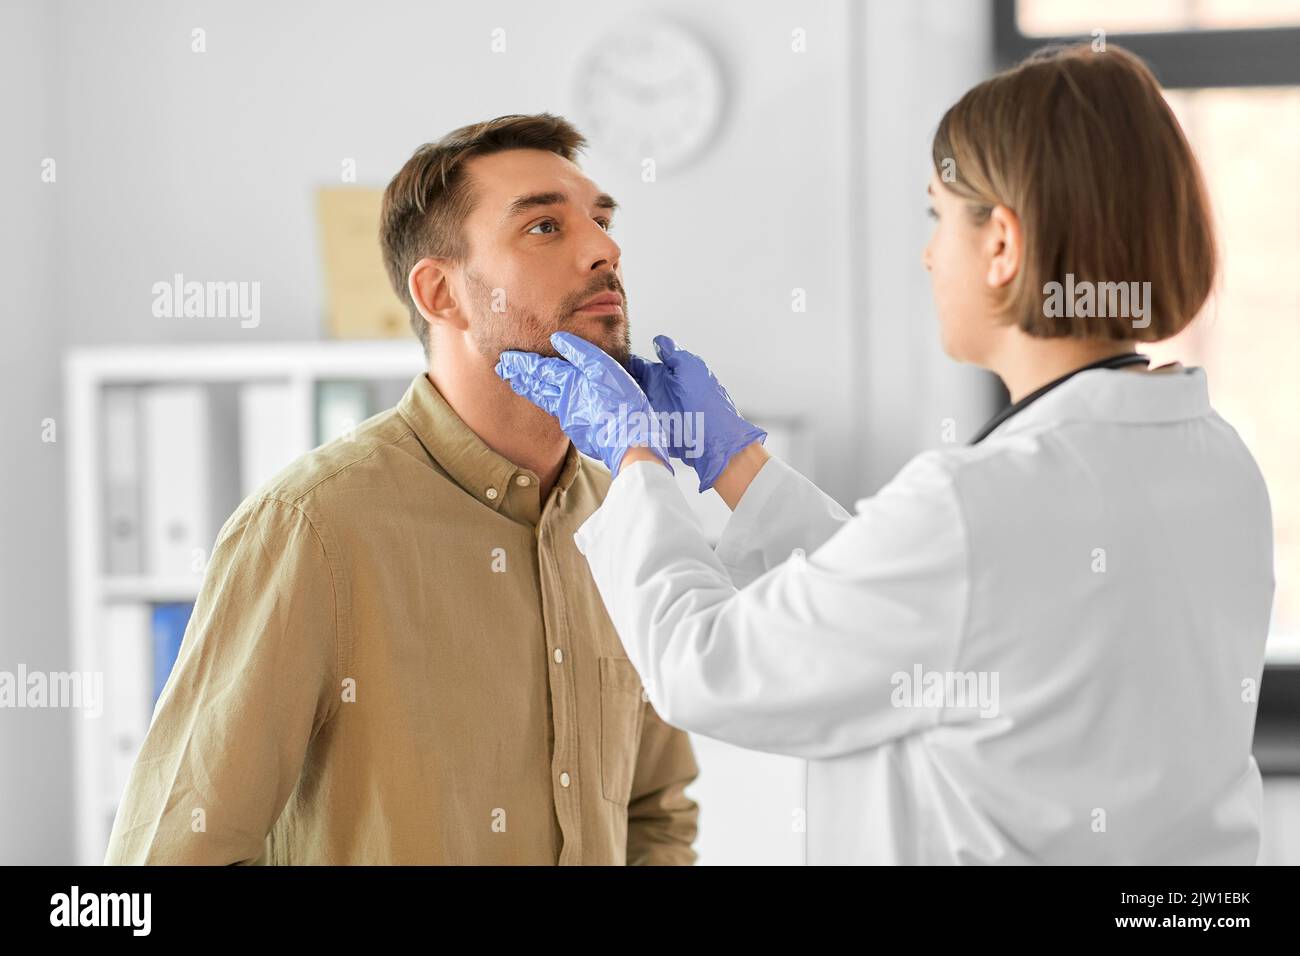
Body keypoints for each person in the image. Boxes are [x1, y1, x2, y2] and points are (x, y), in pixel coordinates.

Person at [497, 46, 1275, 864]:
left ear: (1003, 244)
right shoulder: (1216, 462)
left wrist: (635, 461)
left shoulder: (982, 505)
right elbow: (921, 611)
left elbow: (707, 667)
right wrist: (730, 463)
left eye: (938, 216)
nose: (929, 254)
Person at [106, 114, 699, 865]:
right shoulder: (314, 528)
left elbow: (656, 815)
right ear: (441, 292)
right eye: (546, 226)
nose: (604, 248)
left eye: (603, 219)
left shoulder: (627, 520)